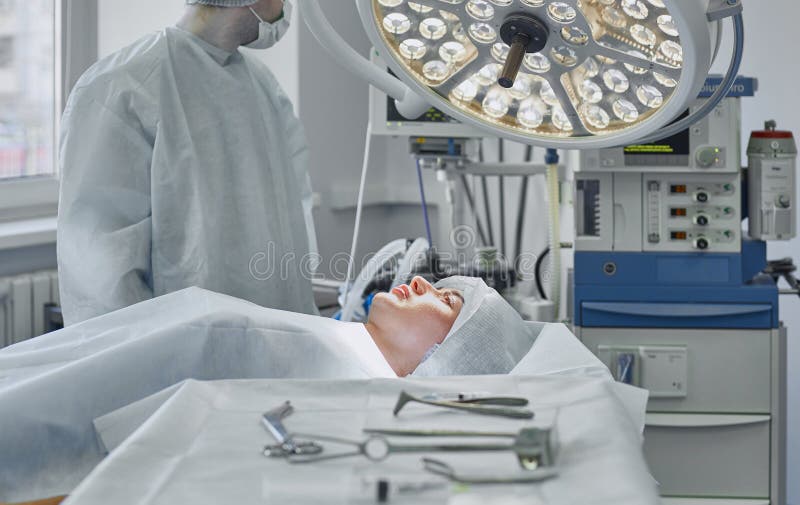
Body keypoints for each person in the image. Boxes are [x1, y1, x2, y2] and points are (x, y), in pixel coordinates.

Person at [57, 0, 318, 327]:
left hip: (275, 339)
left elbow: (294, 220)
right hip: (171, 362)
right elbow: (102, 276)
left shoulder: (263, 86)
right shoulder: (122, 88)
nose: (286, 7)